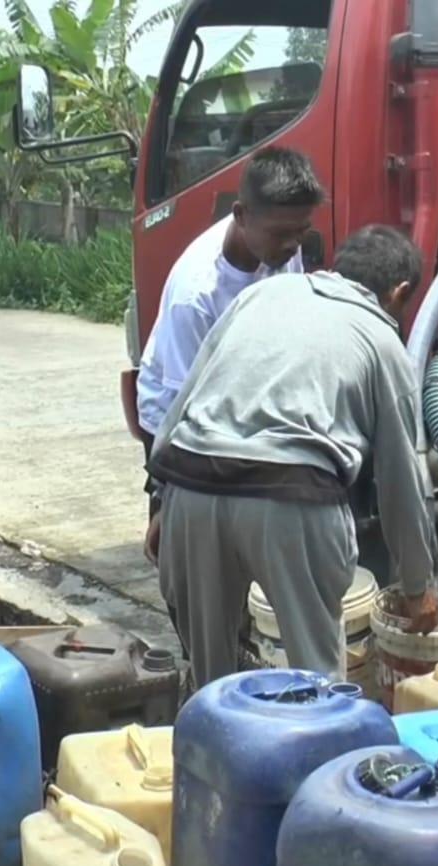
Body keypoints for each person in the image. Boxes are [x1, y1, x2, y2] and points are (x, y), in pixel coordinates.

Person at [148, 226, 438, 685]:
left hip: (193, 485)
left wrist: (163, 499)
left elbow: (189, 394)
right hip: (293, 497)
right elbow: (400, 481)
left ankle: (207, 754)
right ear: (400, 293)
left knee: (210, 683)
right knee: (317, 684)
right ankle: (318, 755)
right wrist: (417, 585)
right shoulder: (384, 342)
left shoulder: (262, 295)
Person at [136, 147, 324, 568]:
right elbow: (182, 410)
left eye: (301, 232)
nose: (293, 245)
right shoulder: (196, 294)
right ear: (241, 215)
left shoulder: (280, 242)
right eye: (282, 234)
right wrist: (170, 497)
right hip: (178, 415)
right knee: (189, 554)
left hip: (242, 397)